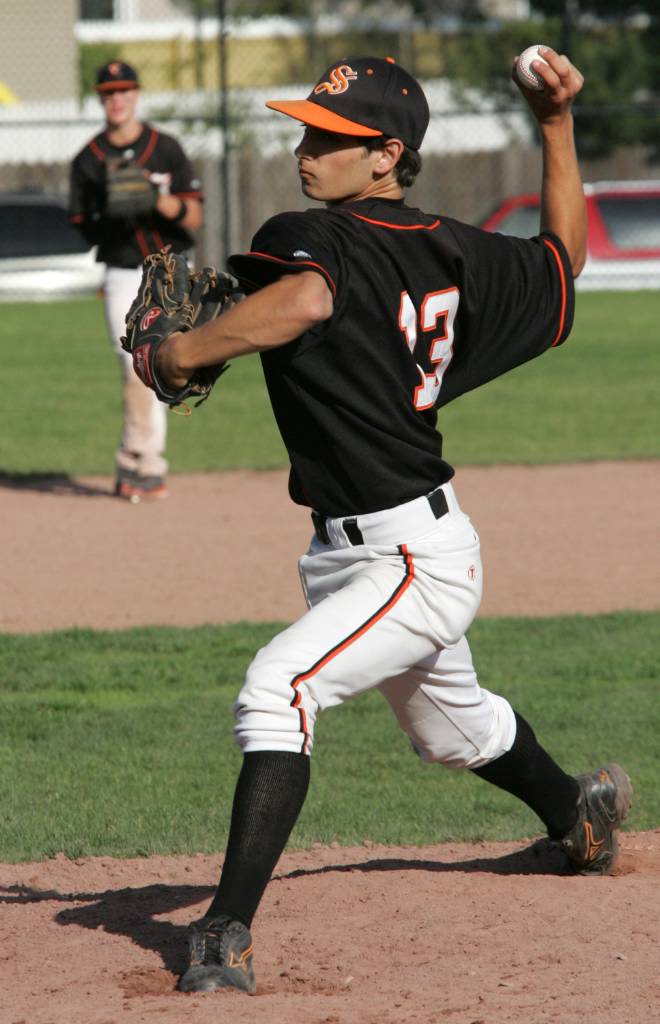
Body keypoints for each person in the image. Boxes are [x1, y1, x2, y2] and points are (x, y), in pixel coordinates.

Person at [139, 53, 632, 993]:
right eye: (306, 130)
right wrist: (557, 127)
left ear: (386, 156)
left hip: (411, 557)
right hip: (374, 549)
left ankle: (224, 930)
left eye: (330, 138)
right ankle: (580, 813)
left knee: (276, 688)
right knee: (456, 735)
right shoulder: (458, 249)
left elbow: (312, 297)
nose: (304, 149)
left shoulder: (310, 236)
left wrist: (181, 353)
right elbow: (564, 270)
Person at [69, 60, 204, 502]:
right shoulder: (88, 161)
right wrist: (111, 210)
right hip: (124, 270)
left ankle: (139, 461)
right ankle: (144, 461)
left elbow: (194, 216)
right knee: (134, 363)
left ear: (137, 95)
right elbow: (82, 225)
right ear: (100, 98)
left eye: (124, 91)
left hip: (170, 269)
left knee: (161, 362)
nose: (117, 99)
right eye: (109, 92)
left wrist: (154, 198)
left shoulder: (165, 150)